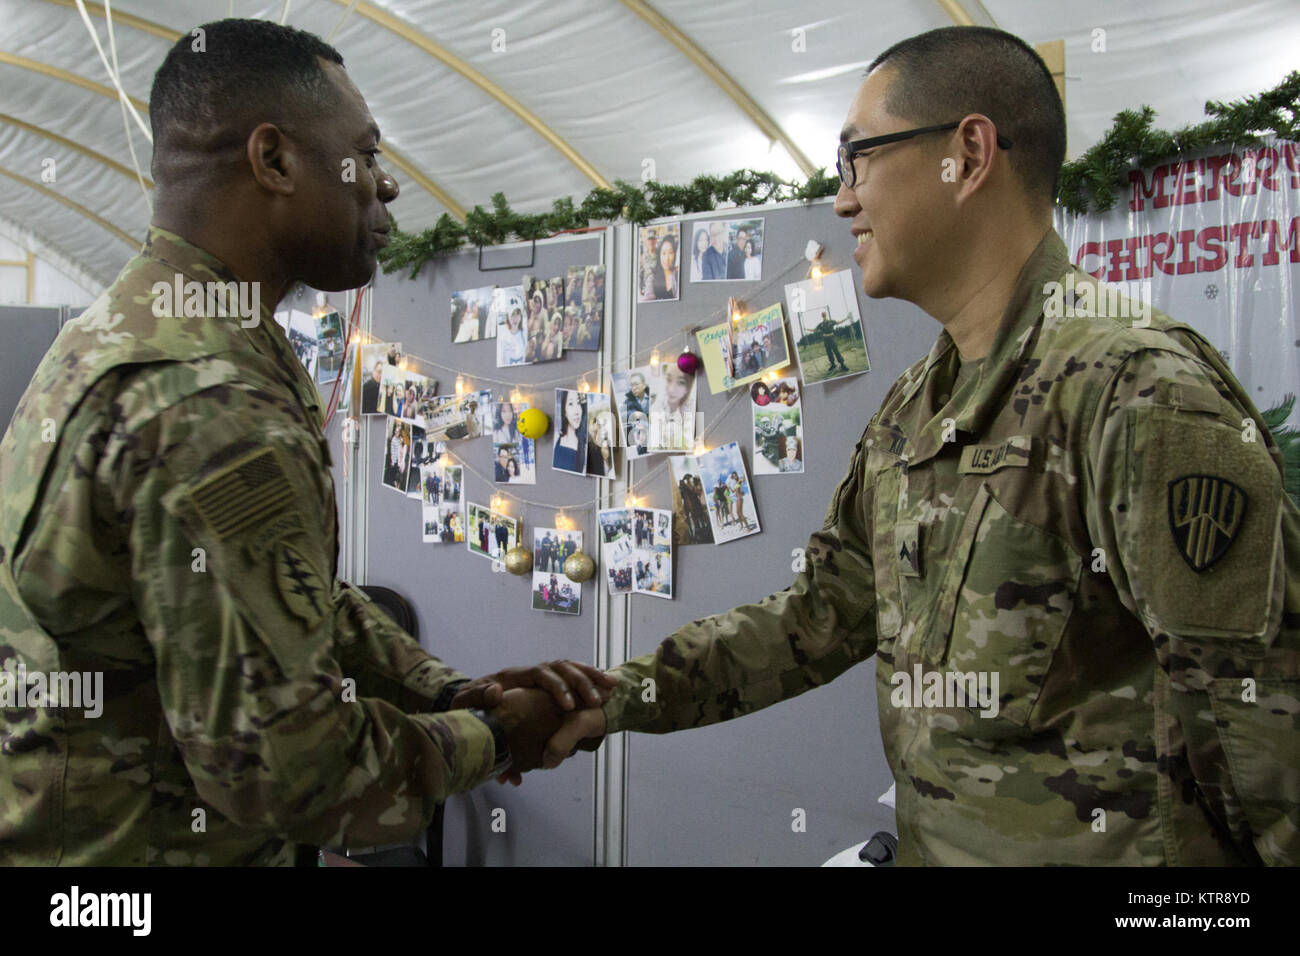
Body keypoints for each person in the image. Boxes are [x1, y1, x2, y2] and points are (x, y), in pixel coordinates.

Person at [542, 25, 1300, 867]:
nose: (842, 200)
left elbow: (1269, 746)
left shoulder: (1137, 393)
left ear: (968, 156)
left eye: (858, 157)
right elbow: (814, 620)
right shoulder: (915, 409)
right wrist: (612, 699)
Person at [0, 18, 616, 867]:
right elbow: (296, 773)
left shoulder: (143, 328)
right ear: (275, 160)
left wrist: (445, 688)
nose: (387, 186)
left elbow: (300, 594)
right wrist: (498, 733)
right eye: (364, 155)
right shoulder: (211, 402)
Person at [553, 389, 586, 473]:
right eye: (571, 404)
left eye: (578, 403)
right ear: (564, 411)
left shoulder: (584, 444)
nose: (577, 411)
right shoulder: (556, 437)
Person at [646, 235, 678, 301]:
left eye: (670, 253)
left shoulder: (677, 276)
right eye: (663, 253)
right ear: (659, 255)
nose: (666, 258)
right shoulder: (652, 278)